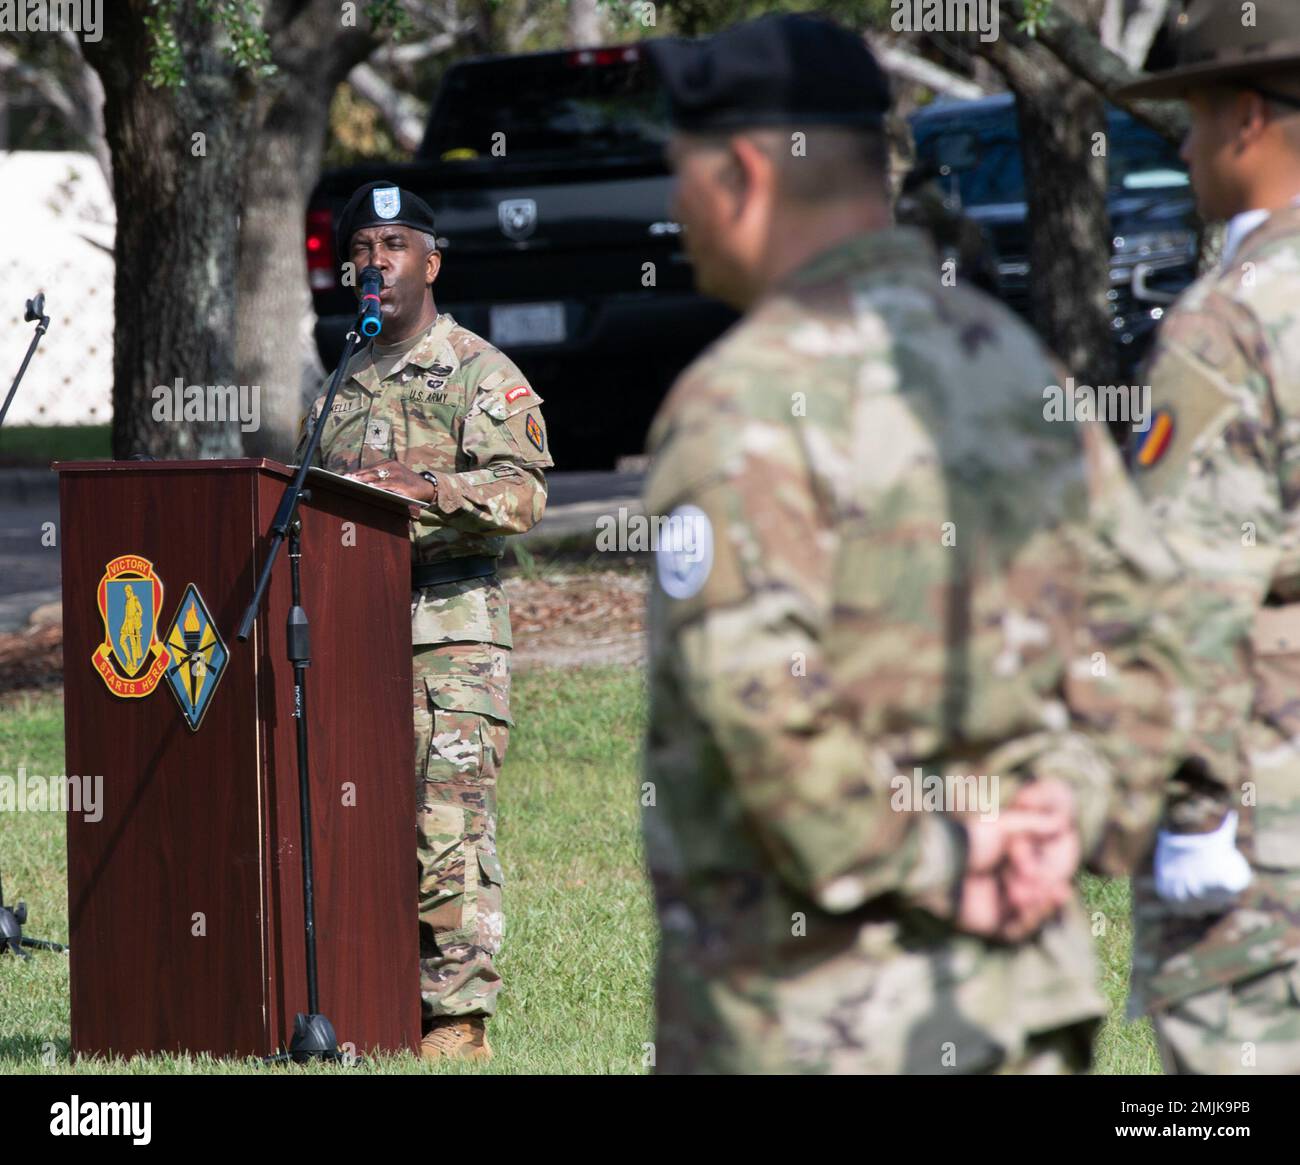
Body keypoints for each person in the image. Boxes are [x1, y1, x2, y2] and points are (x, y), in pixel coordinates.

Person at [640, 13, 1202, 1074]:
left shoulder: (737, 404)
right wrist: (1064, 813)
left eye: (680, 174)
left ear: (742, 177)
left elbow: (756, 716)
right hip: (1016, 1008)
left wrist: (952, 854)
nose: (674, 210)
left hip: (816, 1020)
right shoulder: (1014, 368)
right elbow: (1151, 632)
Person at [294, 180, 552, 1061]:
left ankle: (456, 1017)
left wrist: (431, 489)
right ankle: (367, 992)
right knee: (351, 818)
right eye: (362, 247)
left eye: (395, 245)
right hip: (347, 632)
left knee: (446, 823)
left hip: (452, 634)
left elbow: (524, 495)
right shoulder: (342, 383)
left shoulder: (480, 370)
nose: (376, 262)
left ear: (431, 263)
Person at [1115, 0, 1300, 1074]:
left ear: (1240, 118)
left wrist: (1190, 813)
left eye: (1187, 120)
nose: (1182, 150)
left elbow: (1179, 589)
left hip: (1259, 822)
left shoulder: (1229, 318)